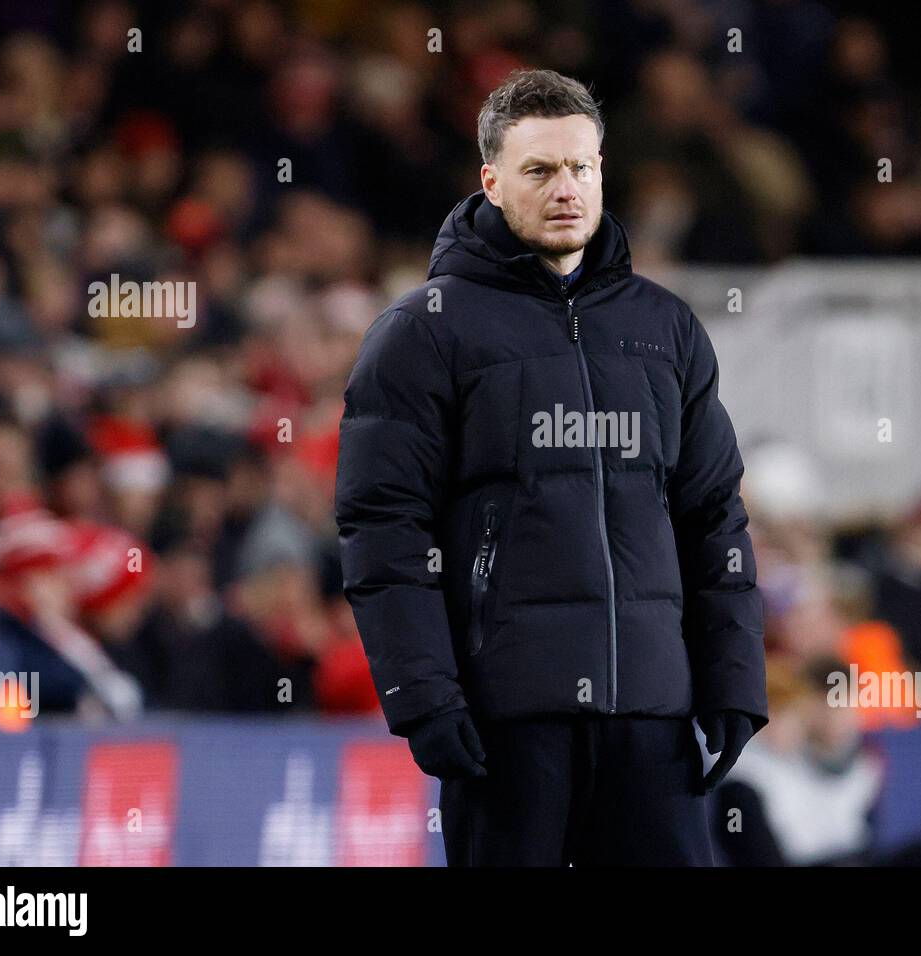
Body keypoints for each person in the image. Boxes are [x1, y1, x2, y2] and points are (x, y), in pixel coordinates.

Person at [335, 69, 768, 866]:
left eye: (582, 167)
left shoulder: (664, 328)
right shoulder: (422, 332)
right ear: (491, 181)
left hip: (651, 718)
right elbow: (384, 530)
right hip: (505, 725)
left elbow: (713, 516)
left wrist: (735, 678)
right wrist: (421, 695)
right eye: (539, 170)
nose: (565, 188)